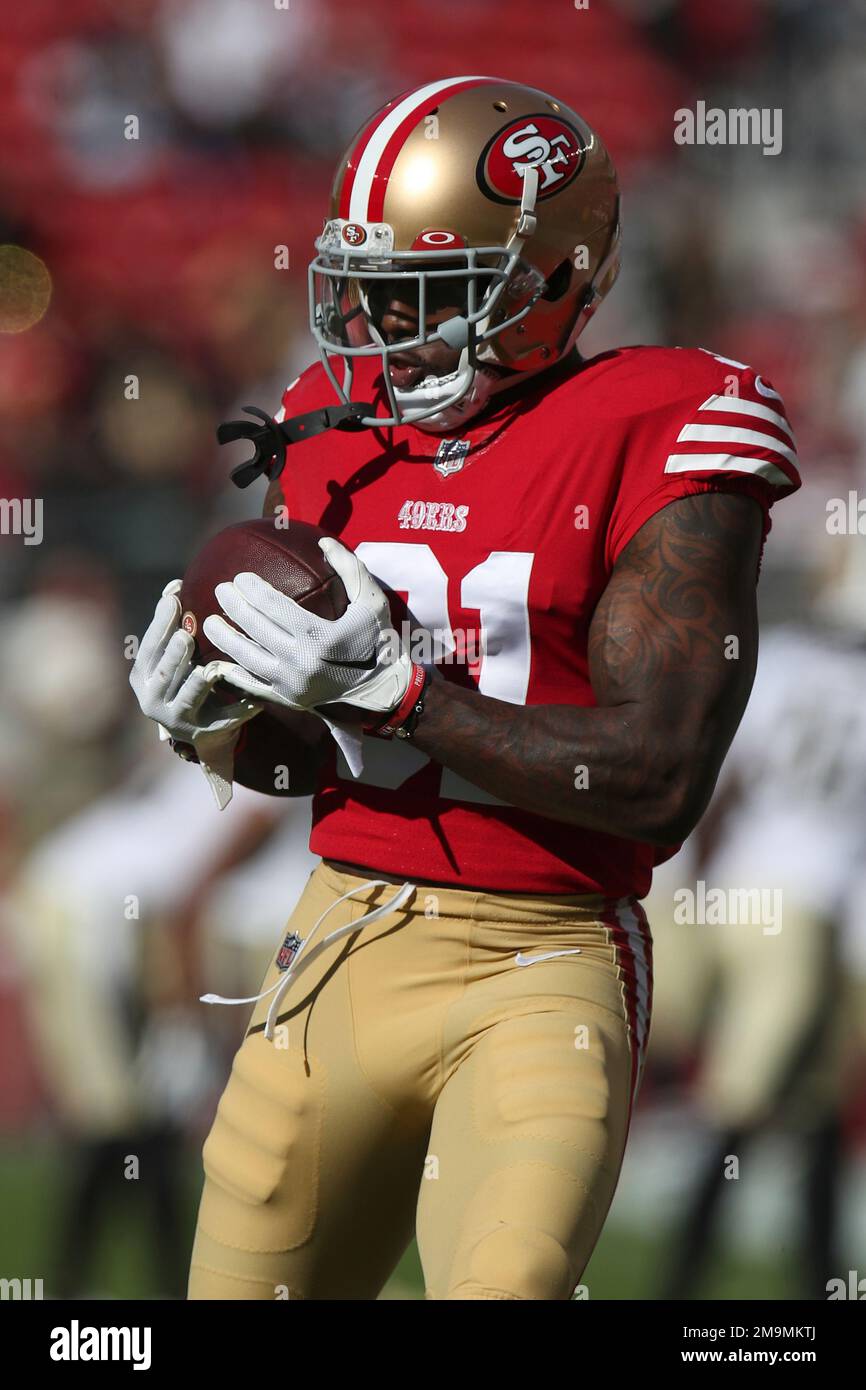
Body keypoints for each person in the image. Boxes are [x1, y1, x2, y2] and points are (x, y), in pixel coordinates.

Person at [130, 77, 801, 1300]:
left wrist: (400, 694)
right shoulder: (330, 433)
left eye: (428, 295)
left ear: (551, 279)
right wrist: (221, 729)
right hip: (334, 938)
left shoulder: (663, 423)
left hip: (538, 965)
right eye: (368, 289)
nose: (385, 328)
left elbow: (653, 779)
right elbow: (319, 757)